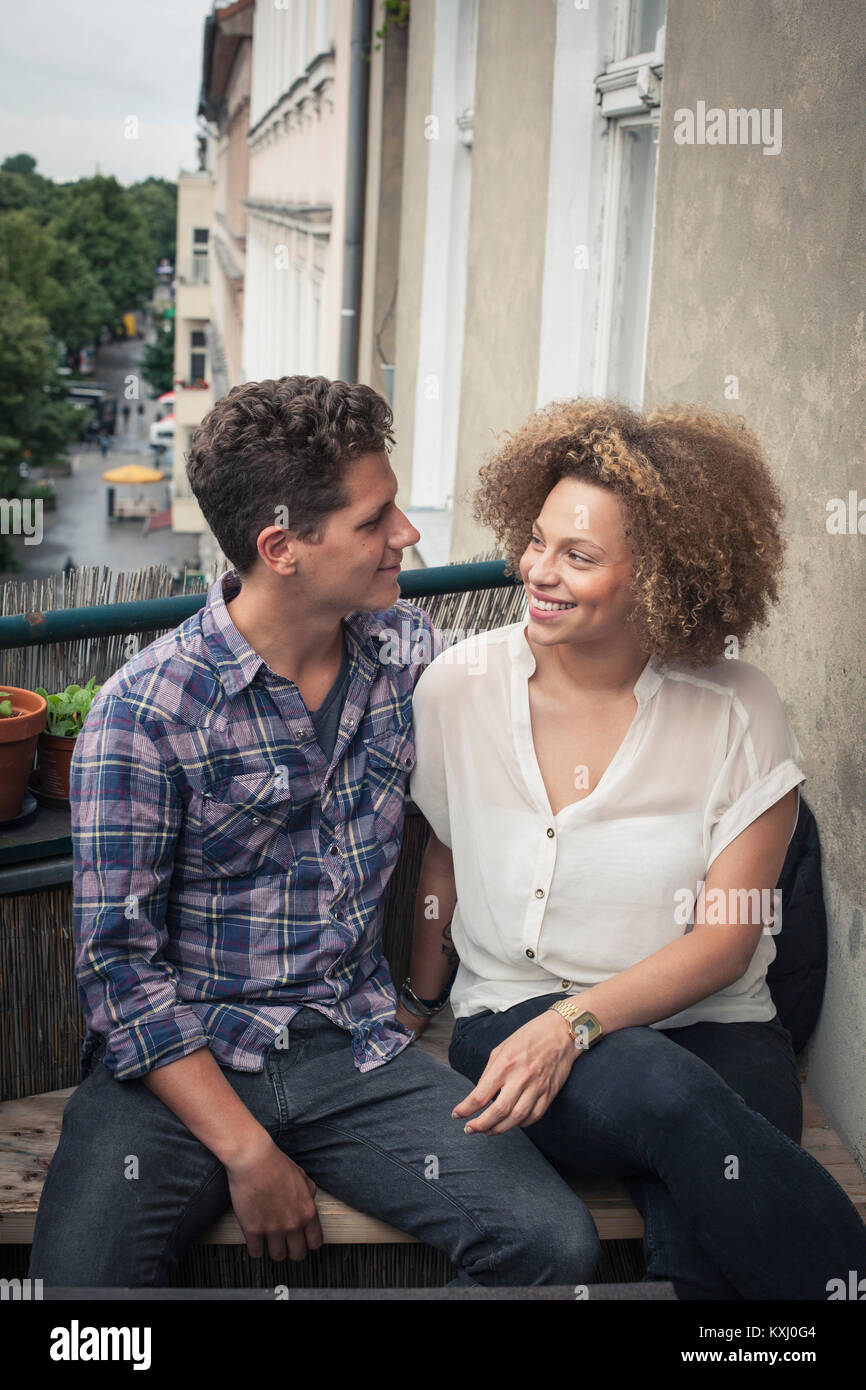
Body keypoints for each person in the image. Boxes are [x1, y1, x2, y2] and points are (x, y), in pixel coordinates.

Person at [27, 376, 598, 1290]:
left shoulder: (408, 657)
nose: (406, 534)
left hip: (355, 1050)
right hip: (181, 1069)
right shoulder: (145, 711)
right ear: (281, 546)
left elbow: (554, 681)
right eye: (376, 521)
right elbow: (118, 975)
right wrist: (248, 1154)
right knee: (78, 1308)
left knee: (552, 1245)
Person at [405, 397, 866, 1301]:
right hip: (514, 1021)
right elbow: (444, 856)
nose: (538, 571)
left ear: (659, 574)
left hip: (717, 1032)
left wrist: (575, 1023)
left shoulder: (739, 708)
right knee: (663, 1092)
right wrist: (422, 998)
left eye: (579, 556)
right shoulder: (458, 687)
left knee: (705, 1262)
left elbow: (726, 942)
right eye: (537, 540)